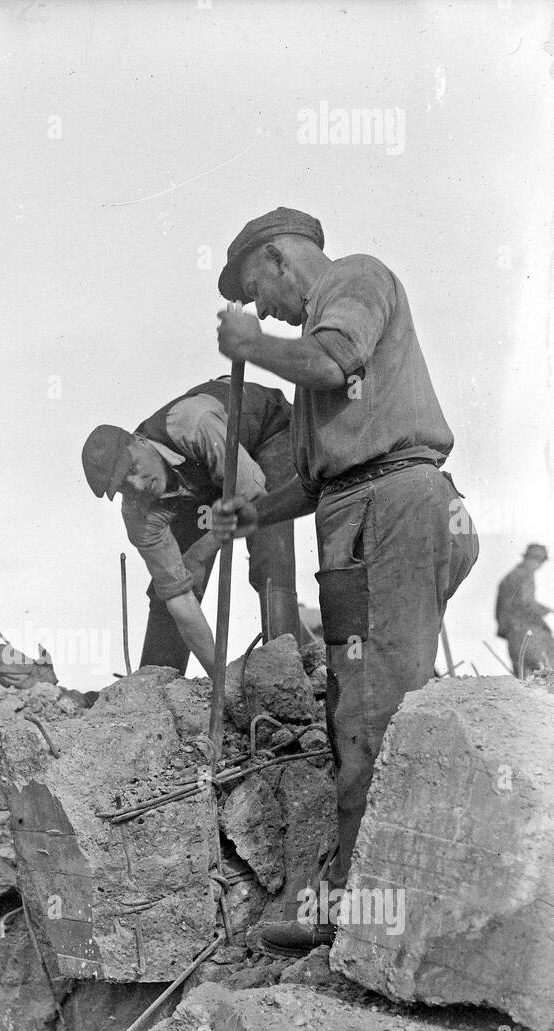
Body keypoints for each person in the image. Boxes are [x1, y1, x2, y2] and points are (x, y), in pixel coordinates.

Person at [212, 207, 478, 955]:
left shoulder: (351, 279)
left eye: (256, 292)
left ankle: (365, 918)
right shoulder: (309, 352)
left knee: (371, 719)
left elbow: (334, 362)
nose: (263, 309)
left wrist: (251, 344)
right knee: (361, 712)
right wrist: (253, 511)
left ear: (275, 257)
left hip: (386, 511)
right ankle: (369, 905)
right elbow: (314, 479)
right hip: (366, 510)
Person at [82, 376, 302, 676]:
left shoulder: (193, 423)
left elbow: (252, 498)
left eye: (133, 468)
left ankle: (286, 672)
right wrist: (221, 681)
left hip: (267, 432)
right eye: (123, 485)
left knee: (269, 542)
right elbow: (178, 597)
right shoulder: (139, 514)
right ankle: (158, 683)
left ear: (140, 441)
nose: (137, 484)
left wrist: (201, 551)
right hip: (207, 478)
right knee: (174, 580)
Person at [496, 544, 553, 675]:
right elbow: (526, 603)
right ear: (532, 559)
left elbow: (500, 609)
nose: (539, 565)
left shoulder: (509, 576)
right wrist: (547, 610)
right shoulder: (525, 575)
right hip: (528, 630)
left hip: (513, 632)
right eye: (539, 561)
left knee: (523, 675)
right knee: (546, 670)